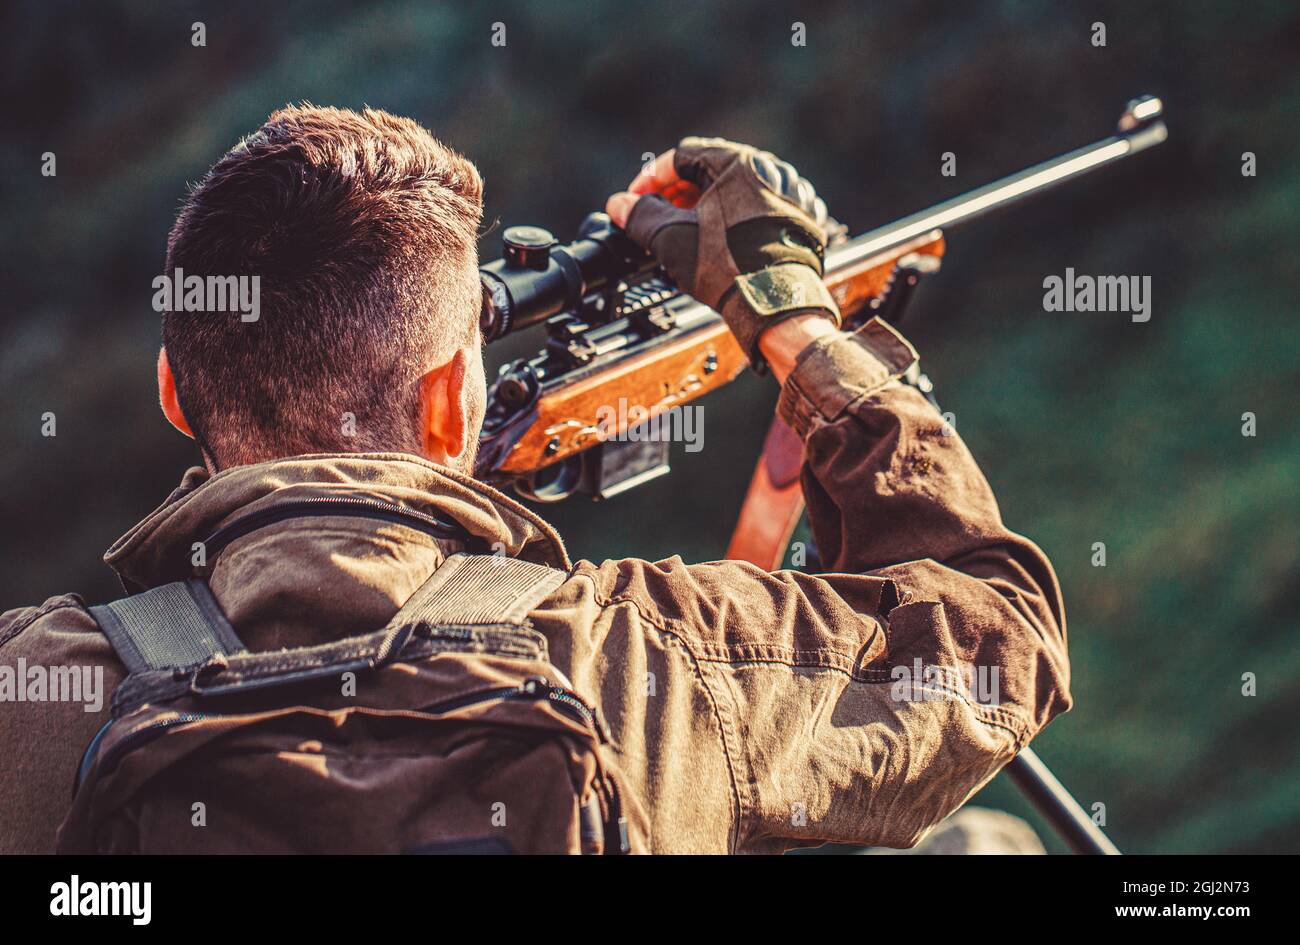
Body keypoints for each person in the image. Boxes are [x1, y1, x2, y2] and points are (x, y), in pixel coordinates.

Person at [0, 106, 1070, 854]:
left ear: (175, 396)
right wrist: (793, 322)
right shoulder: (653, 659)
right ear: (454, 403)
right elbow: (995, 638)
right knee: (982, 846)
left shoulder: (30, 691)